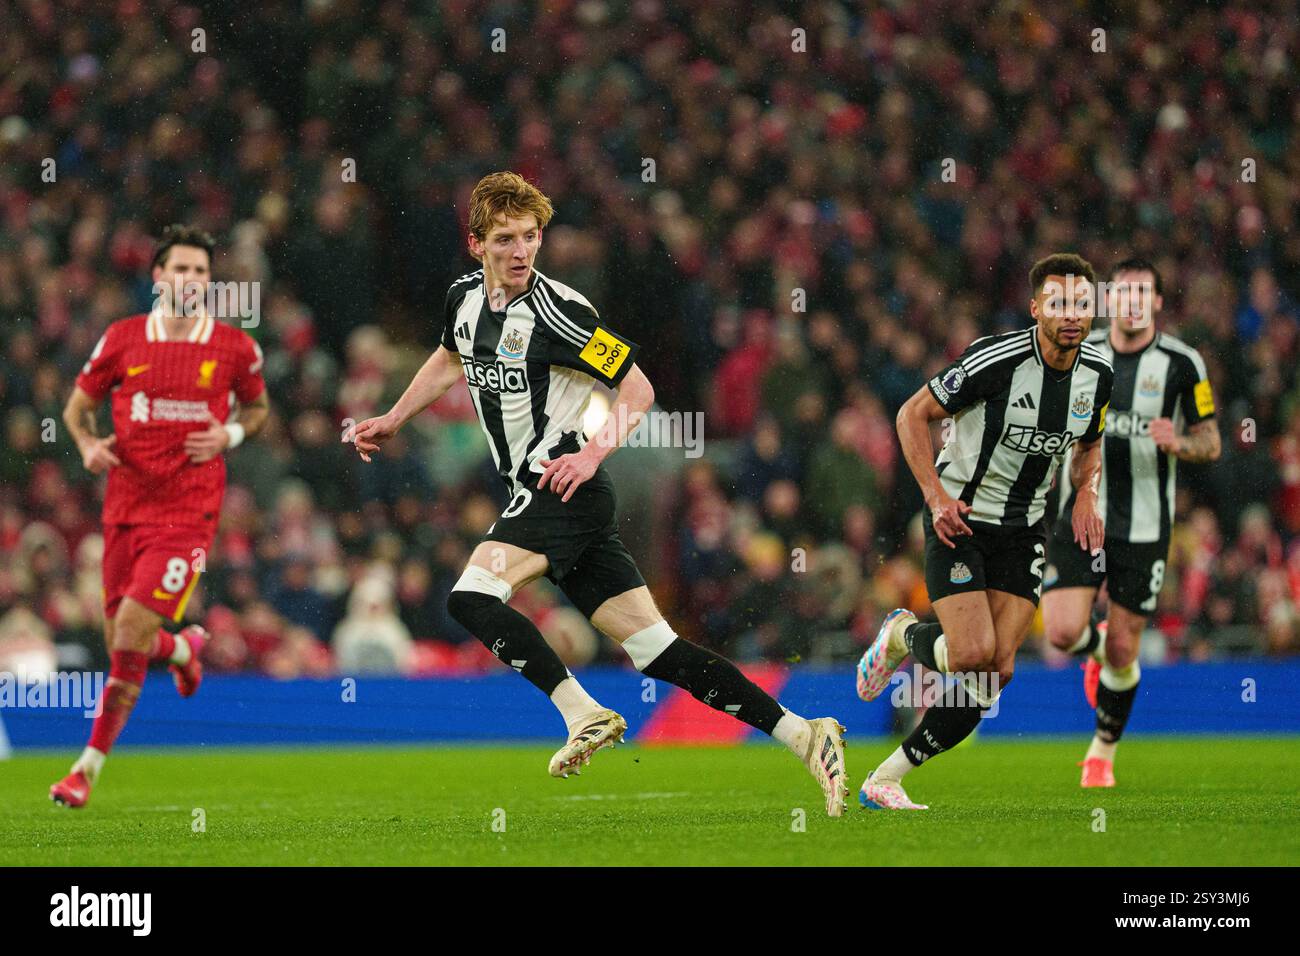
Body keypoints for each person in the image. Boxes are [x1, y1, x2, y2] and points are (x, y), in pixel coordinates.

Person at [348, 172, 848, 815]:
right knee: (657, 651)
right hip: (549, 495)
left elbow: (637, 390)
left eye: (531, 237)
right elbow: (449, 357)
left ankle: (582, 713)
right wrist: (394, 417)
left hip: (561, 484)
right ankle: (804, 734)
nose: (521, 251)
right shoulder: (463, 300)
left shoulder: (561, 310)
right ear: (476, 244)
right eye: (506, 239)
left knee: (470, 598)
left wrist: (591, 452)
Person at [854, 253, 1113, 810]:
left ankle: (885, 778)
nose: (1072, 315)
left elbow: (1090, 443)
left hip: (1024, 528)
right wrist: (934, 495)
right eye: (1059, 303)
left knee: (997, 673)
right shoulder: (996, 361)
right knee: (973, 653)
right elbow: (910, 414)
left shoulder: (1098, 375)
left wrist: (1087, 492)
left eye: (1082, 304)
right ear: (1035, 308)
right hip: (961, 519)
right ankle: (902, 635)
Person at [50, 226, 270, 808]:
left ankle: (85, 770)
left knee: (126, 635)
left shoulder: (233, 348)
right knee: (124, 642)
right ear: (159, 278)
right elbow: (76, 408)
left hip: (188, 514)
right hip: (124, 510)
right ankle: (182, 651)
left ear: (208, 282)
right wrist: (87, 445)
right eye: (180, 270)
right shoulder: (122, 338)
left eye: (200, 272)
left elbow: (261, 407)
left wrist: (230, 432)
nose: (190, 281)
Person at [1041, 257, 1220, 787]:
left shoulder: (1184, 364)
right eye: (1123, 291)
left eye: (1143, 292)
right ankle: (1093, 650)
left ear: (1159, 302)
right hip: (1081, 513)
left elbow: (1211, 441)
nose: (1133, 300)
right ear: (1109, 300)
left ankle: (1101, 753)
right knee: (1062, 632)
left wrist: (1179, 441)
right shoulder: (1081, 350)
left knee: (1125, 648)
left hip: (1144, 527)